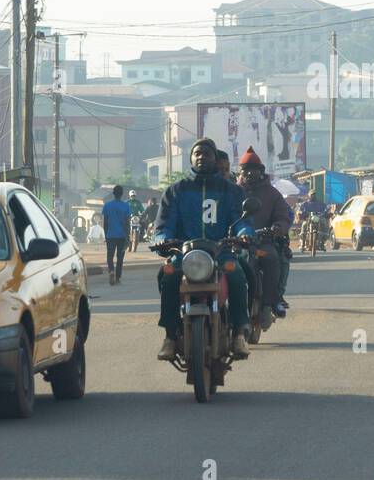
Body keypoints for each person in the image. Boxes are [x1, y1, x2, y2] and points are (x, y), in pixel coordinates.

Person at [152, 138, 255, 360]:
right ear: (190, 158)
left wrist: (245, 234)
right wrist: (162, 239)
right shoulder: (175, 191)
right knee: (168, 277)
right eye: (197, 153)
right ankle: (170, 336)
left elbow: (241, 221)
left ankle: (239, 333)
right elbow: (163, 225)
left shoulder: (231, 191)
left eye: (206, 154)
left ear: (215, 159)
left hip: (221, 251)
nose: (201, 157)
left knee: (237, 275)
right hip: (185, 253)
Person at [236, 147, 294, 317]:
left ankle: (272, 301)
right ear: (240, 172)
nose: (249, 174)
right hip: (237, 243)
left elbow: (283, 217)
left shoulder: (272, 193)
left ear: (260, 171)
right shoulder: (233, 192)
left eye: (253, 170)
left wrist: (277, 227)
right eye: (245, 170)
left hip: (263, 241)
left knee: (272, 259)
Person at [102, 184, 131, 286]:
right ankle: (117, 277)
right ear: (122, 194)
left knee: (110, 256)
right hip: (122, 236)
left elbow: (105, 222)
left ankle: (111, 271)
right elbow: (127, 223)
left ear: (113, 194)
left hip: (110, 235)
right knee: (120, 257)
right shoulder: (126, 206)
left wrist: (106, 235)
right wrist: (128, 236)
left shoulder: (107, 205)